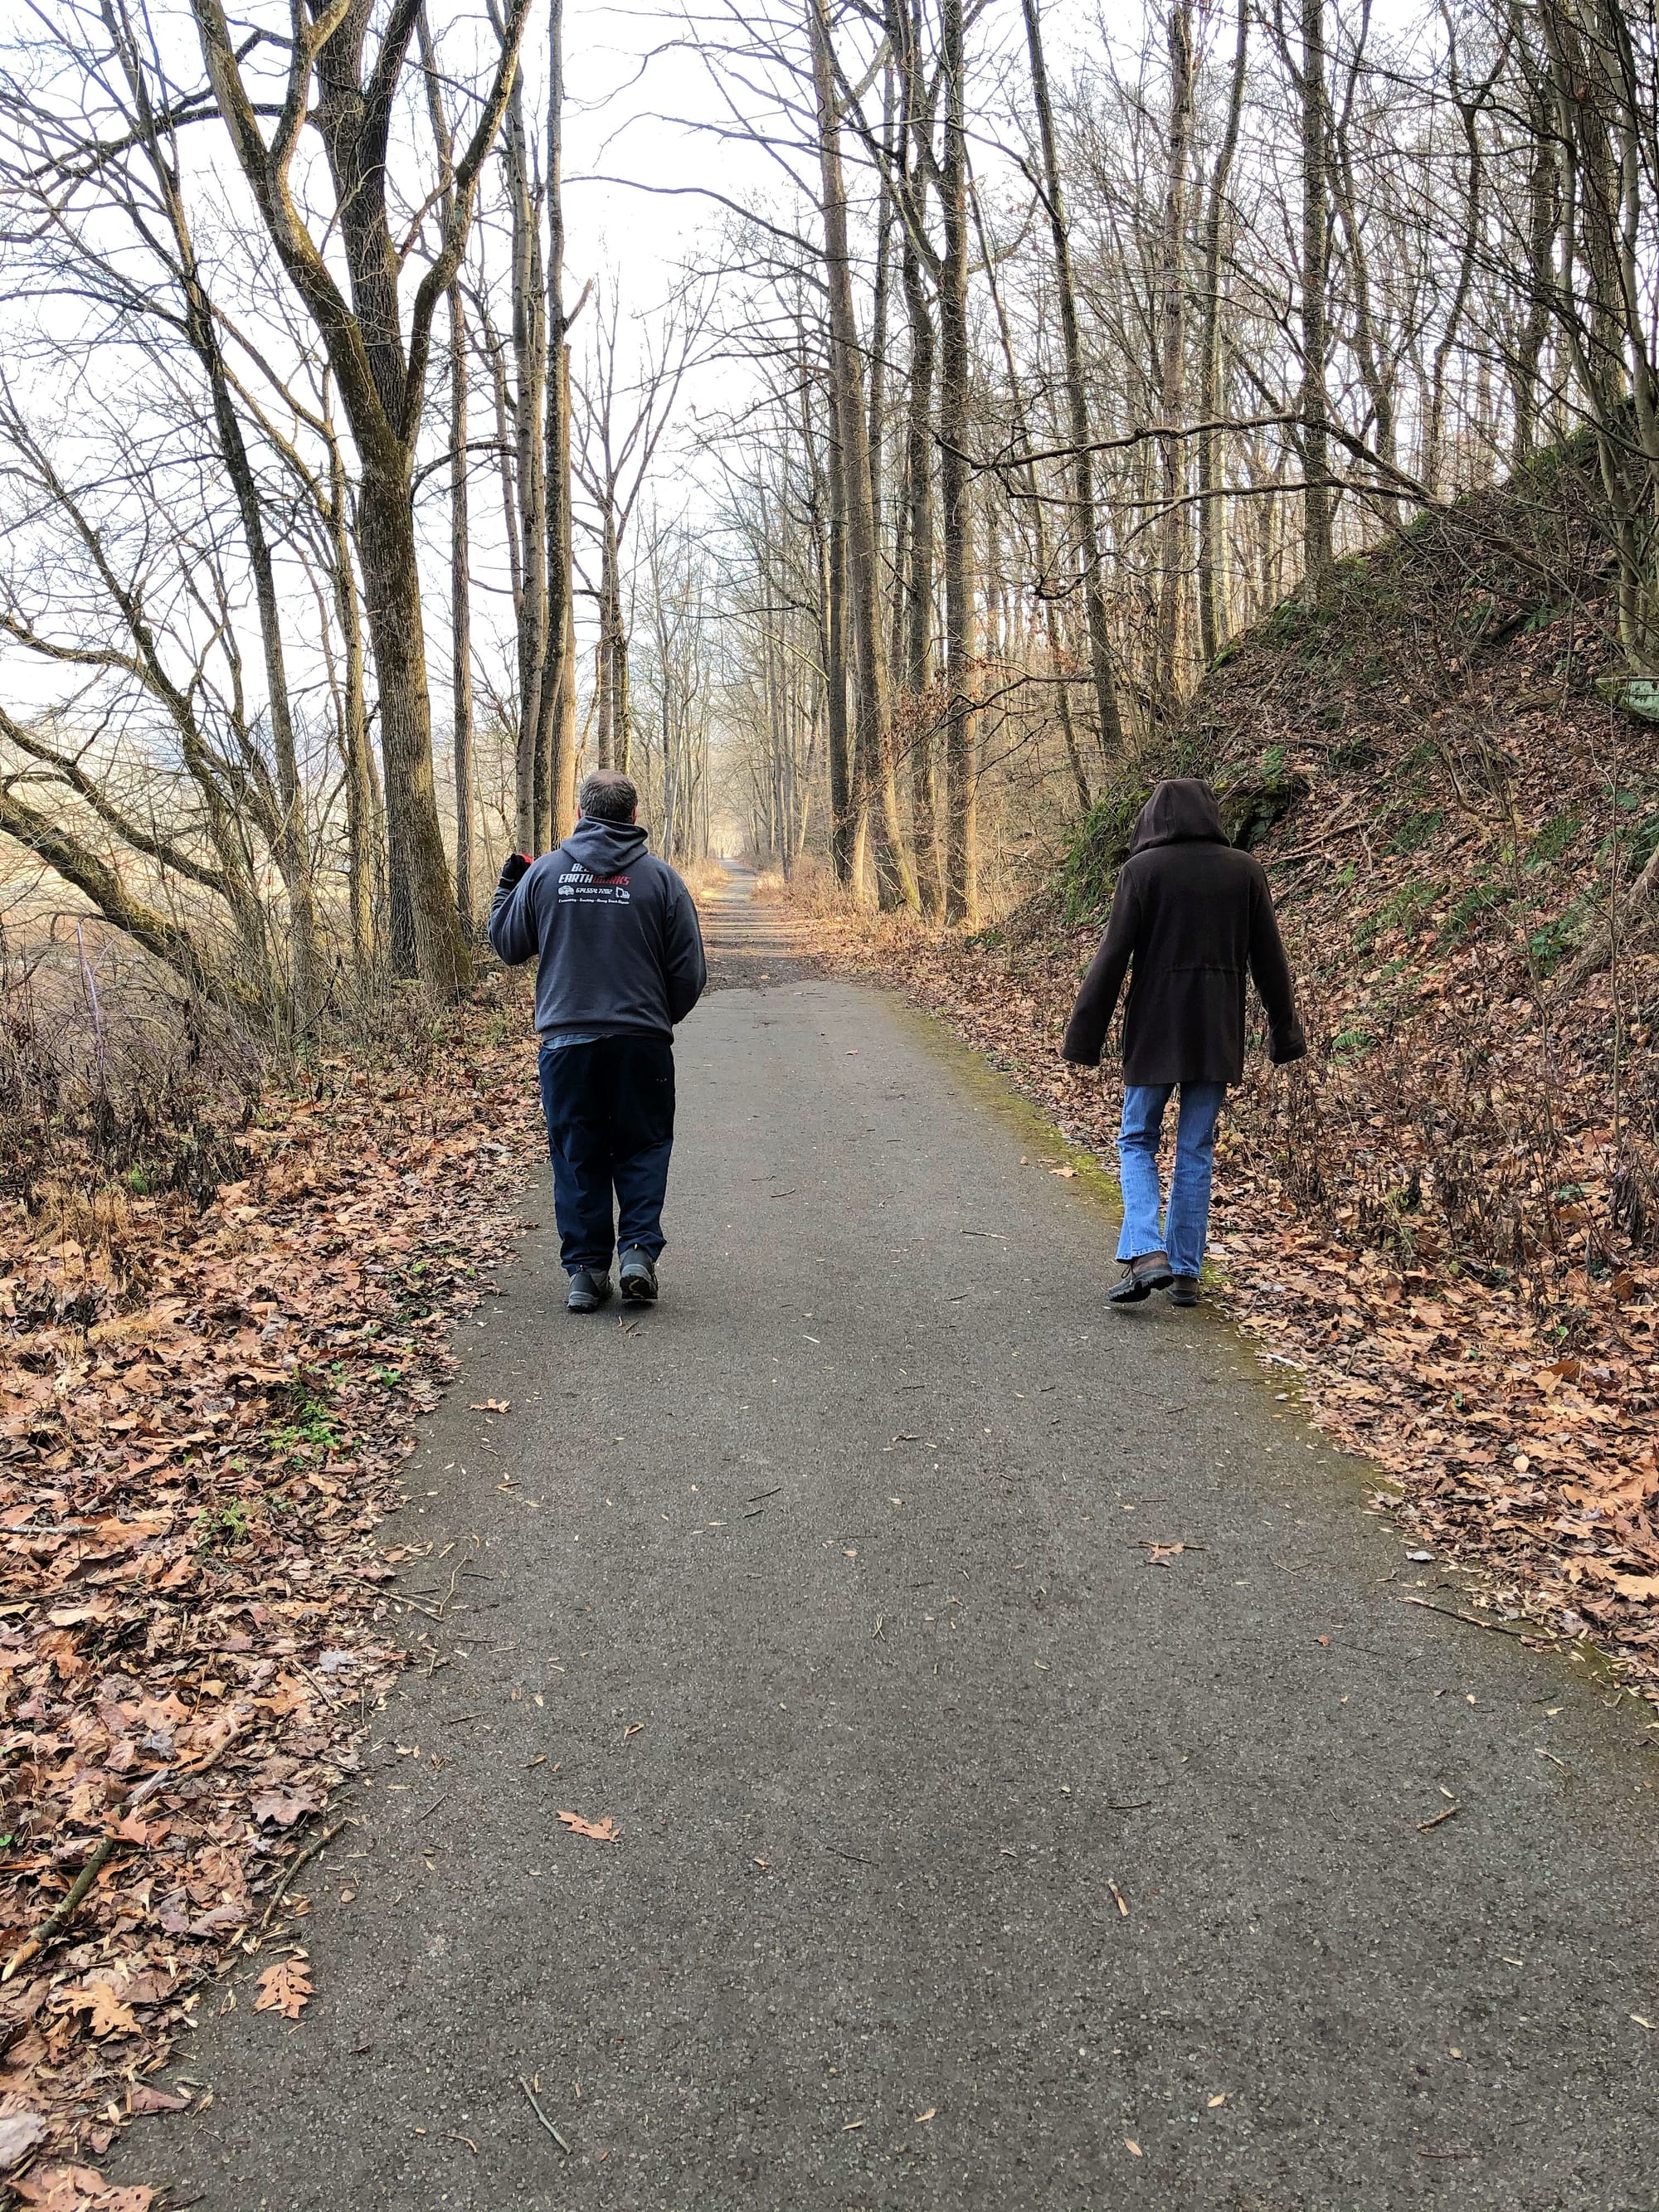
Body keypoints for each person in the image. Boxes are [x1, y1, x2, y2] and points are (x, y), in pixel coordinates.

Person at [1061, 776, 1305, 1309]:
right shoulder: (1245, 871)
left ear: (1152, 820)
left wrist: (1085, 1037)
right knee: (1195, 1148)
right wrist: (1284, 1031)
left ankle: (1148, 1252)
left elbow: (1111, 959)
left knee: (1137, 1138)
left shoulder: (1141, 873)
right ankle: (1187, 1271)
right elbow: (1270, 961)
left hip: (1154, 1027)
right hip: (1217, 1030)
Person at [489, 769, 707, 1313]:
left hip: (567, 1046)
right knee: (643, 1145)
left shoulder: (547, 875)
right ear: (633, 817)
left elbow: (507, 944)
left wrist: (507, 885)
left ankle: (586, 1272)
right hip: (642, 1042)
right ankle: (636, 1253)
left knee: (577, 1152)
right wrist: (656, 1018)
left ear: (580, 814)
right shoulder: (661, 880)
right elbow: (690, 972)